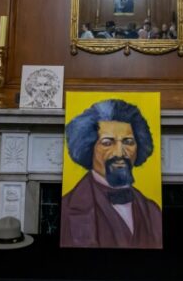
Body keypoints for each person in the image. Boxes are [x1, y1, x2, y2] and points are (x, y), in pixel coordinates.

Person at [60, 99, 162, 248]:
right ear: (88, 147)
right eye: (107, 143)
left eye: (128, 142)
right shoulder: (67, 208)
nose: (120, 152)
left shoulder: (153, 211)